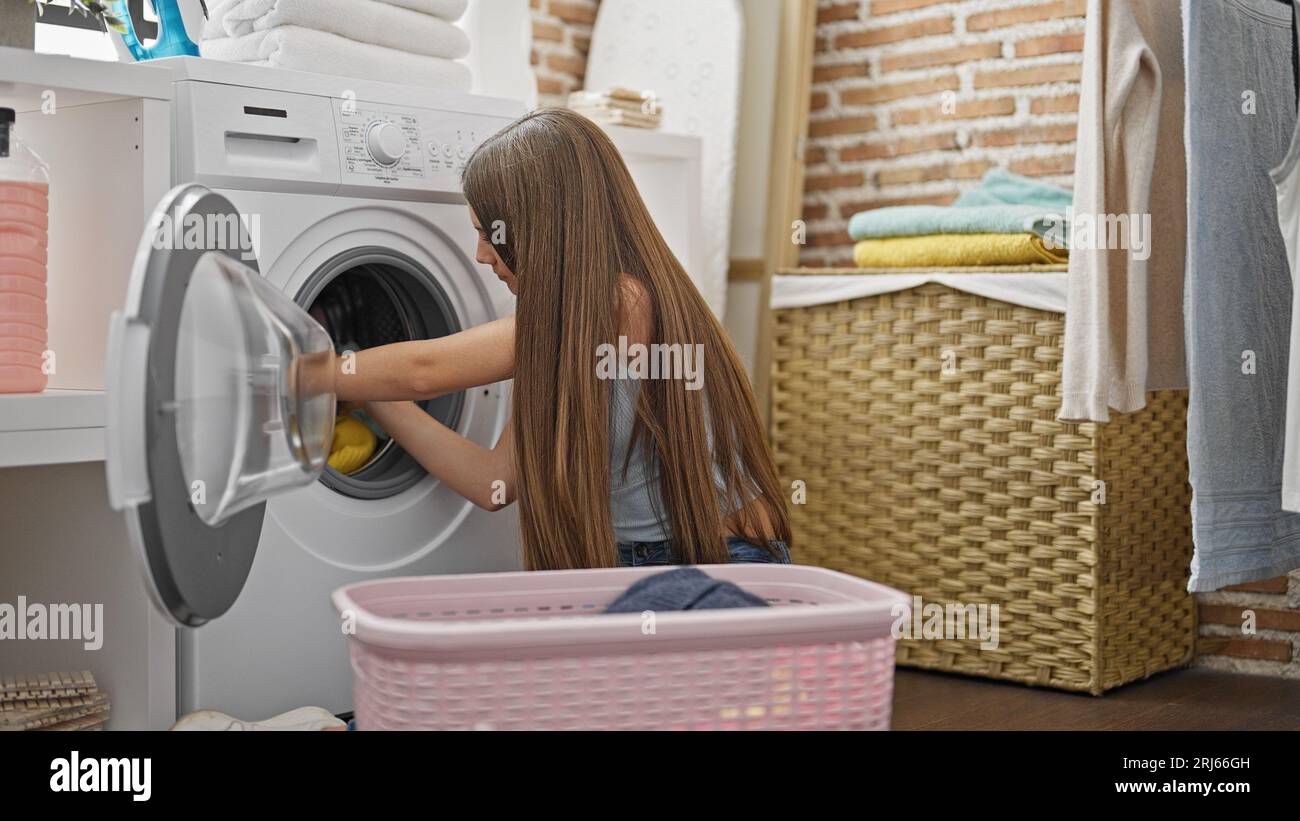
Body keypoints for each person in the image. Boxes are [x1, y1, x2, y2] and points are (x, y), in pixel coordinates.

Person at [333, 108, 791, 570]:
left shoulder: (623, 302)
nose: (480, 255)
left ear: (543, 226)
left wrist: (309, 369)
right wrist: (373, 396)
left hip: (725, 564)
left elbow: (423, 371)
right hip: (655, 563)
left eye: (487, 233)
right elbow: (492, 483)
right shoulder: (573, 340)